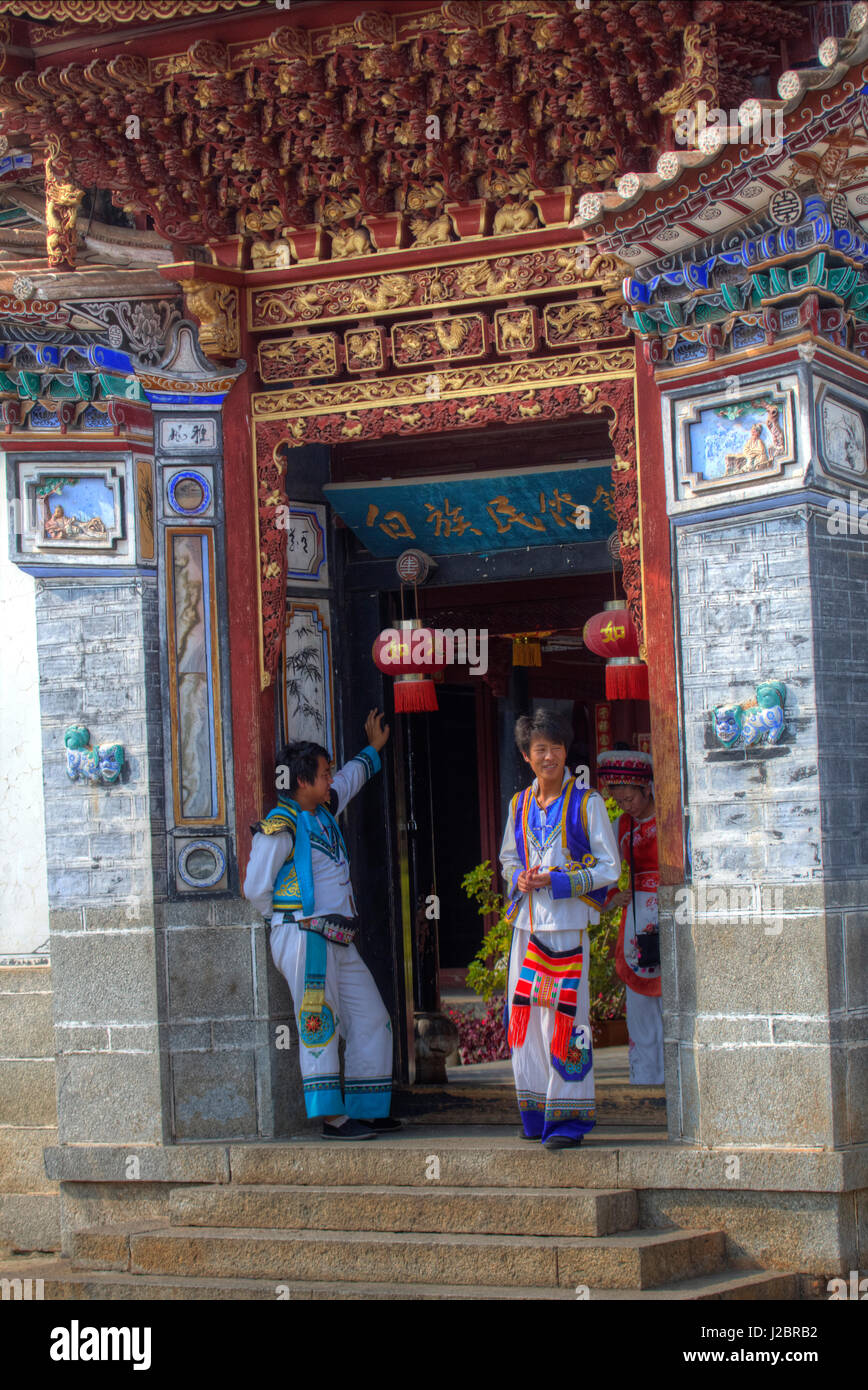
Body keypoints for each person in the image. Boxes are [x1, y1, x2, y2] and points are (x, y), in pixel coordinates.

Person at [243, 710, 398, 1140]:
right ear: (302, 782)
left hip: (338, 938)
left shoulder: (324, 812)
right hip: (305, 935)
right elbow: (256, 888)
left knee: (371, 1017)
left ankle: (367, 1104)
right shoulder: (280, 827)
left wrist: (373, 749)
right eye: (323, 774)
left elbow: (349, 780)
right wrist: (287, 921)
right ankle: (331, 1117)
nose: (331, 780)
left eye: (329, 773)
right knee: (319, 1022)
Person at [500, 710, 621, 1150]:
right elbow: (508, 859)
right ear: (526, 756)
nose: (548, 756)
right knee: (526, 1022)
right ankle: (535, 1114)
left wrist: (560, 879)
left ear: (566, 751)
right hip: (527, 926)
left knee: (568, 1021)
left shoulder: (587, 803)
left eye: (555, 747)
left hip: (568, 927)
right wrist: (520, 879)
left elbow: (611, 868)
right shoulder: (519, 804)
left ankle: (568, 1120)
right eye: (539, 749)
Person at [597, 749, 663, 1085]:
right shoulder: (620, 826)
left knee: (672, 1007)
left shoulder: (670, 820)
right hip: (637, 920)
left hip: (671, 913)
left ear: (648, 788)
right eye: (620, 801)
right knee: (639, 1010)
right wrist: (611, 896)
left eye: (630, 799)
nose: (627, 807)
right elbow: (599, 866)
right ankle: (646, 1085)